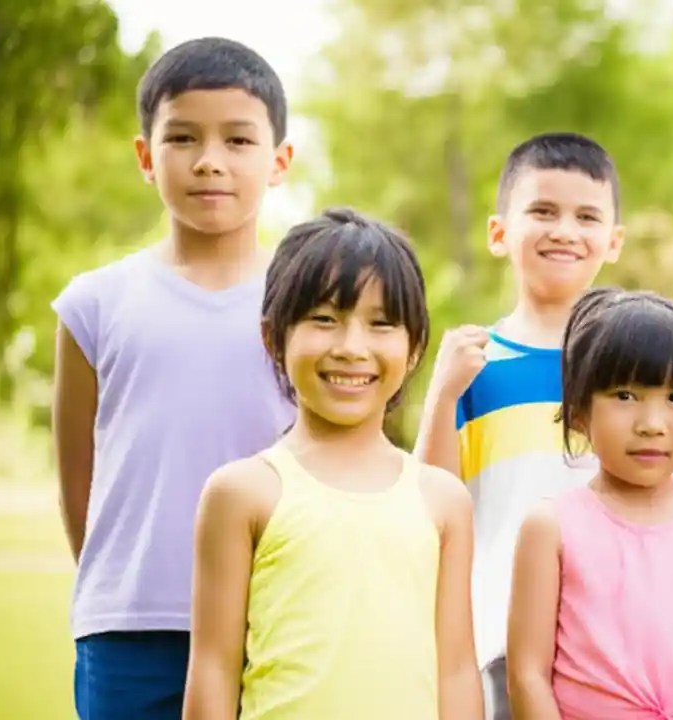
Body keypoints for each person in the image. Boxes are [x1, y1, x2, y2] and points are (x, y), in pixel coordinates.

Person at [50, 37, 295, 720]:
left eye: (239, 140)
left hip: (278, 614)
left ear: (279, 161)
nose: (210, 160)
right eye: (183, 137)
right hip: (130, 624)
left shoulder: (309, 303)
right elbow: (79, 480)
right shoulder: (94, 303)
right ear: (145, 157)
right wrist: (121, 586)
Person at [414, 132, 673, 716]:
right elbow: (431, 505)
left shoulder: (636, 366)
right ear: (499, 232)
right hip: (501, 635)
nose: (565, 230)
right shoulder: (474, 364)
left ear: (613, 241)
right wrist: (442, 396)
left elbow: (668, 501)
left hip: (623, 640)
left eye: (587, 216)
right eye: (543, 211)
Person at [182, 208, 482, 719]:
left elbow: (455, 668)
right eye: (324, 320)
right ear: (273, 337)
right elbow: (213, 667)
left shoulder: (443, 499)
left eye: (381, 324)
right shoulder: (243, 492)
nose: (351, 348)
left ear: (414, 350)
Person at [507, 288, 673, 719]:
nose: (651, 425)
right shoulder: (552, 527)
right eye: (625, 395)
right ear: (580, 411)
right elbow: (528, 672)